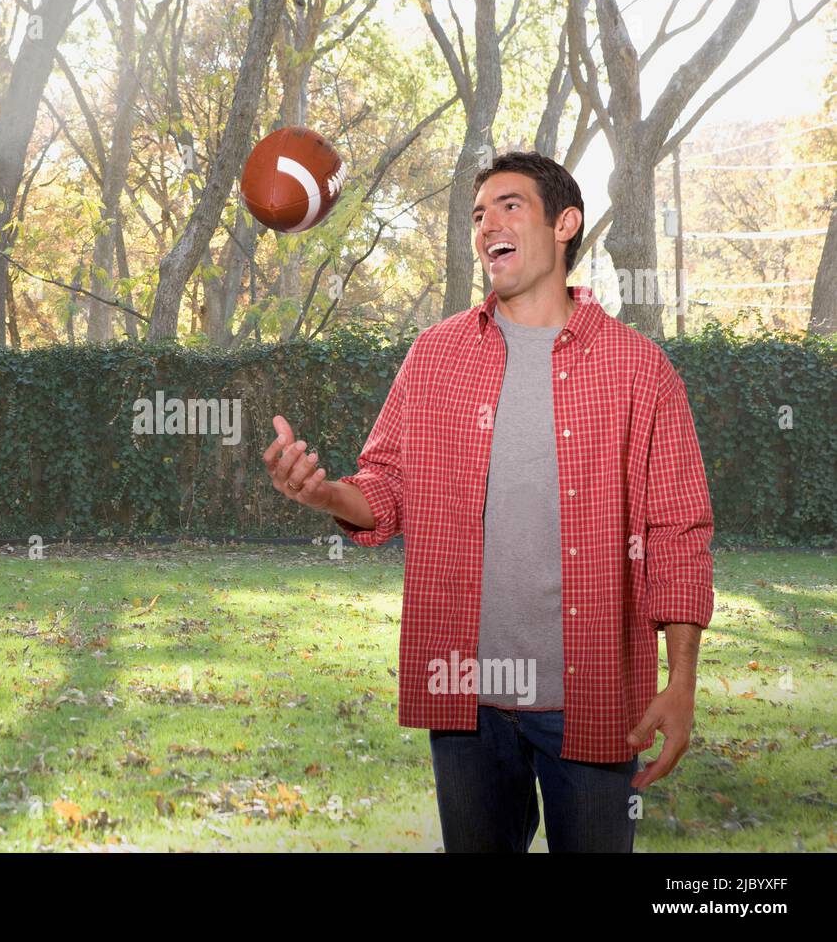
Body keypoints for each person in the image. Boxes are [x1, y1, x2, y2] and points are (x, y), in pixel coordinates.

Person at [263, 151, 715, 852]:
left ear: (565, 223)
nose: (486, 225)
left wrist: (681, 680)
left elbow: (679, 534)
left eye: (509, 206)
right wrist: (323, 491)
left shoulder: (640, 370)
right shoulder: (435, 354)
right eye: (477, 214)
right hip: (466, 702)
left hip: (592, 701)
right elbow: (385, 486)